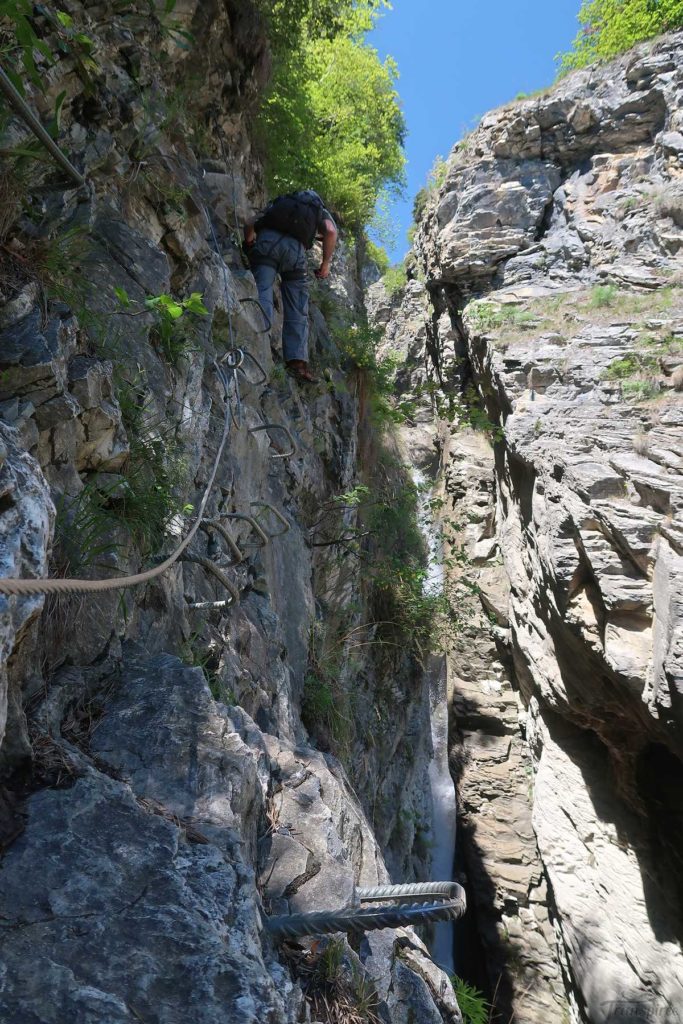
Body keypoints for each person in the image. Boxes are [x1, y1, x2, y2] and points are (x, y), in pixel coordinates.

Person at [243, 189, 338, 383]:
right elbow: (330, 230)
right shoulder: (318, 210)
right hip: (295, 252)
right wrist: (325, 263)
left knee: (263, 290)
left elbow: (249, 222)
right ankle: (296, 362)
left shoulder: (281, 201)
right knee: (297, 305)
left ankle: (257, 335)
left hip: (267, 243)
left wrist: (249, 241)